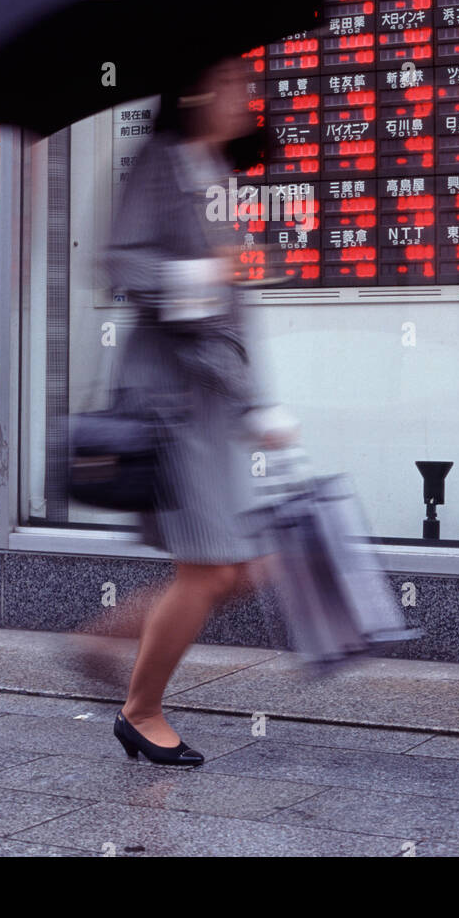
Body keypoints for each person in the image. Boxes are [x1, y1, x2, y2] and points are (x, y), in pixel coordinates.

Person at [72, 54, 298, 767]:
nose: (243, 95)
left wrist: (256, 401)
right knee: (209, 571)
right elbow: (120, 263)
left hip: (213, 406)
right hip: (170, 408)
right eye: (231, 82)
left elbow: (231, 312)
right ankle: (141, 711)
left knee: (242, 569)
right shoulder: (163, 163)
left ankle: (103, 640)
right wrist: (198, 272)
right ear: (196, 89)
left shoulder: (219, 177)